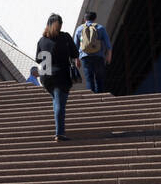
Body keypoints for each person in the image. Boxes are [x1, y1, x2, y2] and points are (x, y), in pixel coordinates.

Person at [37, 13, 80, 143]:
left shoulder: (42, 40)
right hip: (61, 75)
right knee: (60, 104)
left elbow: (38, 59)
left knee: (56, 102)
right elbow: (75, 53)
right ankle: (59, 133)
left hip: (46, 77)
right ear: (60, 24)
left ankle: (59, 129)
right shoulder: (65, 37)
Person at [74, 11, 112, 94]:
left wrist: (77, 59)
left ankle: (92, 97)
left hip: (85, 57)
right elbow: (108, 44)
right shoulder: (100, 28)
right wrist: (109, 55)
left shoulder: (80, 29)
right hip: (99, 56)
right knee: (99, 79)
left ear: (85, 19)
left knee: (89, 79)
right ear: (95, 18)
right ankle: (101, 97)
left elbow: (75, 46)